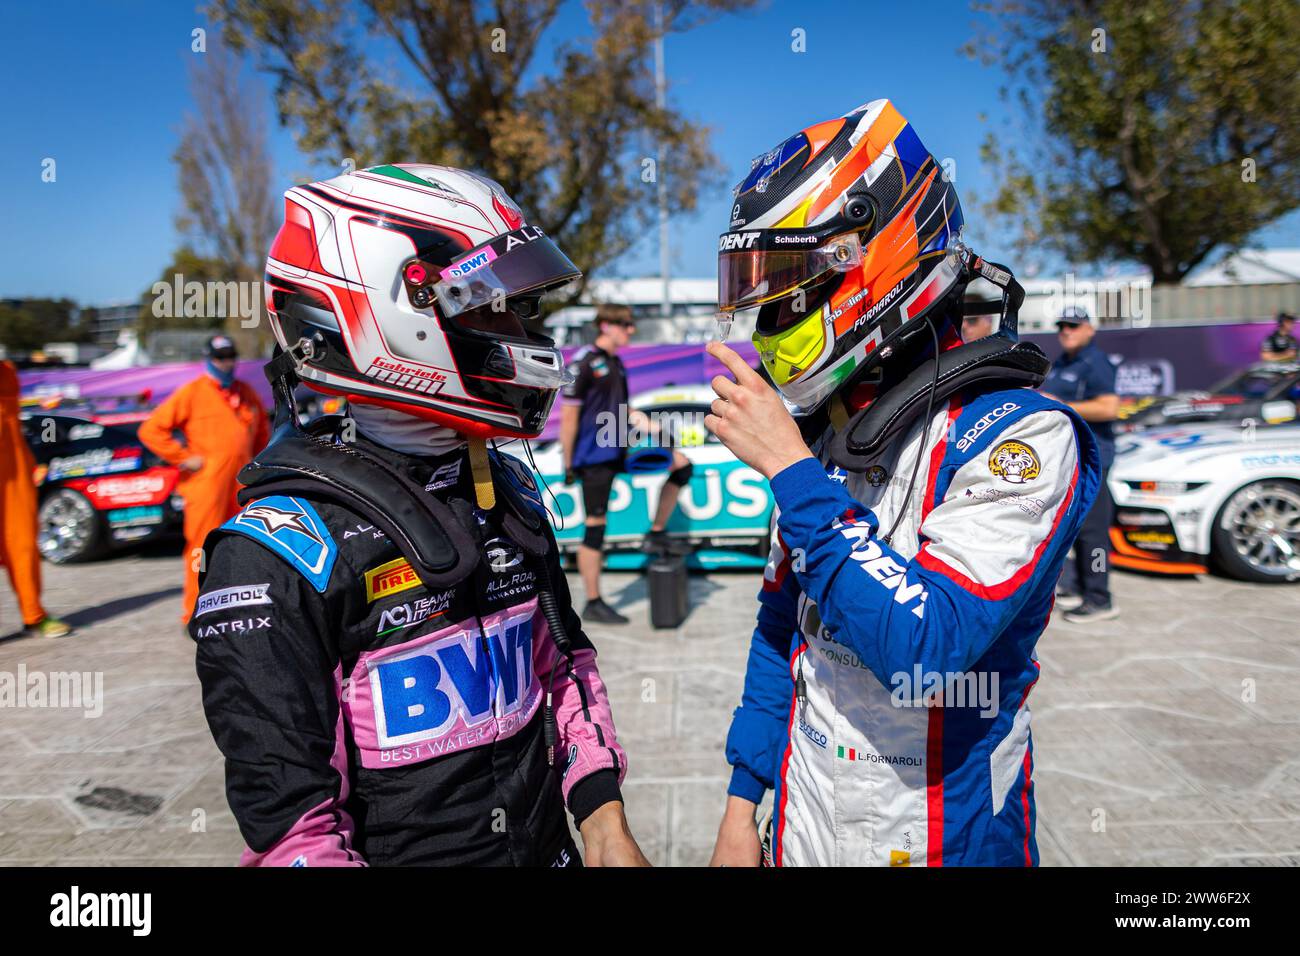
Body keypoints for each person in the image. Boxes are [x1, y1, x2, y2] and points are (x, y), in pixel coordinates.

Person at [192, 164, 646, 866]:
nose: (521, 330)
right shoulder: (274, 553)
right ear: (396, 310)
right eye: (492, 306)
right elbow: (291, 828)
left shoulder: (506, 490)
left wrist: (606, 825)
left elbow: (563, 668)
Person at [705, 100, 1100, 866]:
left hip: (944, 837)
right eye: (760, 285)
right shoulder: (827, 429)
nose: (770, 310)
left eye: (788, 282)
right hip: (803, 826)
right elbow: (784, 629)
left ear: (872, 255)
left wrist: (791, 471)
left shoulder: (1021, 434)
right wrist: (739, 806)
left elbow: (924, 651)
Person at [560, 304, 692, 624]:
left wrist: (652, 427)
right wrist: (568, 464)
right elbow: (569, 416)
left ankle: (656, 532)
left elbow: (624, 410)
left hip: (618, 448)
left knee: (682, 465)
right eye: (625, 324)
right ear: (606, 325)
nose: (631, 330)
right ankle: (593, 601)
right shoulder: (584, 363)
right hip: (592, 458)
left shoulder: (616, 363)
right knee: (595, 530)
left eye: (631, 324)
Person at [138, 335, 269, 624]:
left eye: (230, 355)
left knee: (243, 546)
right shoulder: (192, 393)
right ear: (208, 358)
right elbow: (151, 429)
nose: (226, 362)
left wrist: (261, 470)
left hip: (242, 486)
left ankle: (234, 608)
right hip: (206, 486)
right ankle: (194, 612)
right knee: (201, 549)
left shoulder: (246, 393)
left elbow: (262, 436)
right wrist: (182, 456)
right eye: (220, 356)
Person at [1040, 306, 1120, 623]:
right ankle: (1074, 586)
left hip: (1094, 459)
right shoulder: (1063, 361)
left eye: (1073, 326)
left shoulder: (1096, 362)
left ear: (1090, 329)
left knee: (1094, 533)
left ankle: (1100, 598)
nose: (1066, 331)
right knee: (1067, 528)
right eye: (1062, 326)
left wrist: (1064, 406)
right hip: (1069, 457)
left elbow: (1110, 407)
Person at [0, 360, 73, 638]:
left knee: (23, 547)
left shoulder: (7, 372)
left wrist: (34, 462)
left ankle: (34, 615)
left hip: (13, 473)